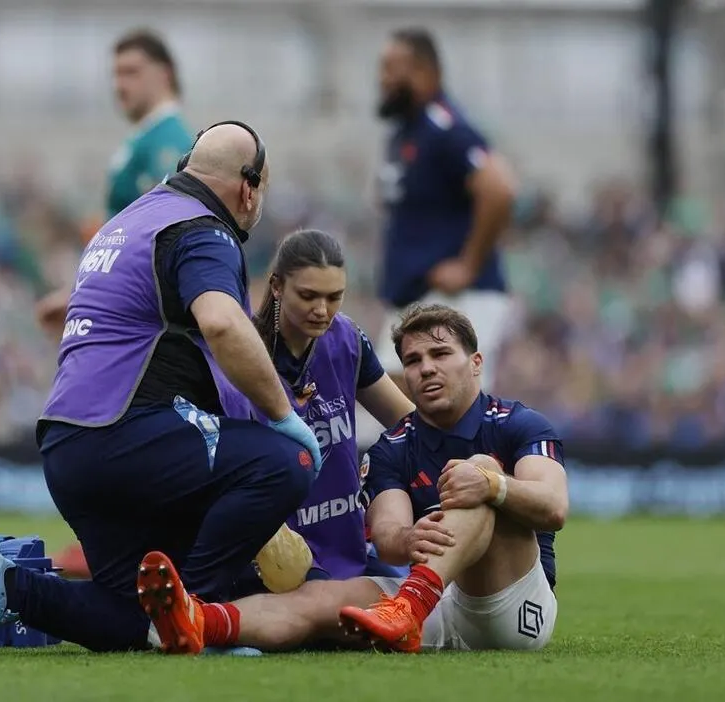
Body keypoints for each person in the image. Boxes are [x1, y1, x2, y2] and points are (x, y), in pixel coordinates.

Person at [0, 121, 322, 655]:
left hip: (67, 449)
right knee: (285, 463)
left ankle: (8, 588)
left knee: (132, 615)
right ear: (248, 187)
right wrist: (284, 418)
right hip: (128, 434)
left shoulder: (130, 220)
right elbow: (222, 325)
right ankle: (200, 614)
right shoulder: (203, 228)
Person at [137, 303, 568, 654]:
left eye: (440, 355)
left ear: (475, 363)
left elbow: (553, 507)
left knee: (479, 469)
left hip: (513, 608)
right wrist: (409, 538)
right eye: (414, 361)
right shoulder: (392, 447)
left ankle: (408, 609)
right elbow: (388, 537)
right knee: (320, 599)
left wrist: (492, 485)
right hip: (434, 603)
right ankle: (198, 621)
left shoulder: (516, 423)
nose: (427, 369)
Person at [230, 228, 414, 596]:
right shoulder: (241, 353)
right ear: (277, 286)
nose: (322, 310)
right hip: (273, 552)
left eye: (335, 297)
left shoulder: (347, 339)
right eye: (308, 296)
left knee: (422, 610)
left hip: (346, 547)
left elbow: (407, 425)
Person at [371, 28, 517, 397]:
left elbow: (499, 188)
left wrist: (468, 264)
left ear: (423, 72)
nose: (383, 79)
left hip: (453, 303)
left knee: (445, 410)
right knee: (391, 410)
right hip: (418, 302)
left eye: (392, 68)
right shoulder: (409, 132)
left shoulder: (444, 127)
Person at [35, 29, 193, 344]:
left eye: (131, 72)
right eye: (116, 74)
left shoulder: (168, 142)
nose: (119, 85)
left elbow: (165, 228)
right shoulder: (143, 139)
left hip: (138, 316)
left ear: (165, 74)